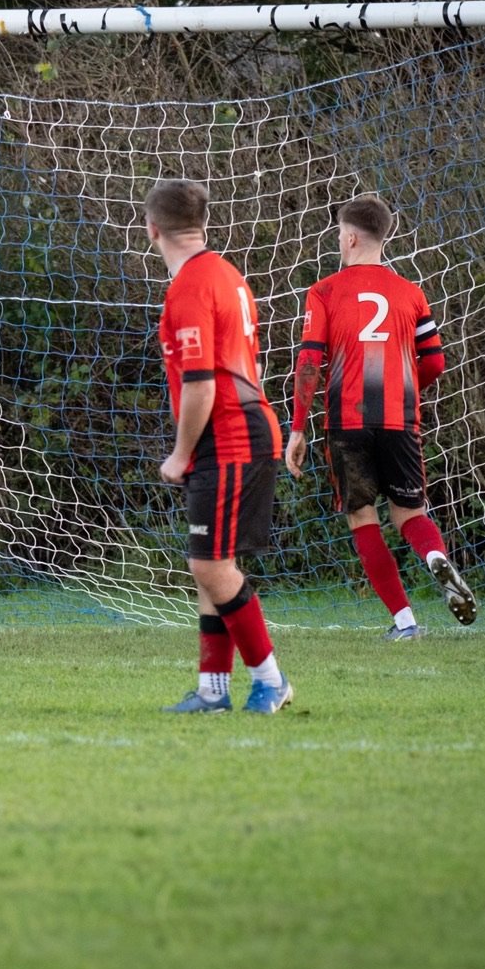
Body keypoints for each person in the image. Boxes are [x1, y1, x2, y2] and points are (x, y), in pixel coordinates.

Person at [284, 193, 477, 640]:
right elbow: (435, 362)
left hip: (347, 421)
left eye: (339, 234)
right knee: (409, 513)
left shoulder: (324, 291)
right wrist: (404, 389)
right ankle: (434, 557)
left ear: (351, 238)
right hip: (399, 418)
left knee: (362, 517)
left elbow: (310, 361)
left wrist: (297, 428)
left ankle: (405, 622)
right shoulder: (411, 293)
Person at [149, 178, 293, 715]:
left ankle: (271, 680)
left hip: (229, 435)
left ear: (152, 229)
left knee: (210, 567)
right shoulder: (226, 274)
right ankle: (213, 690)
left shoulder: (190, 286)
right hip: (241, 431)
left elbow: (201, 384)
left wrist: (180, 453)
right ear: (202, 223)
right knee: (212, 562)